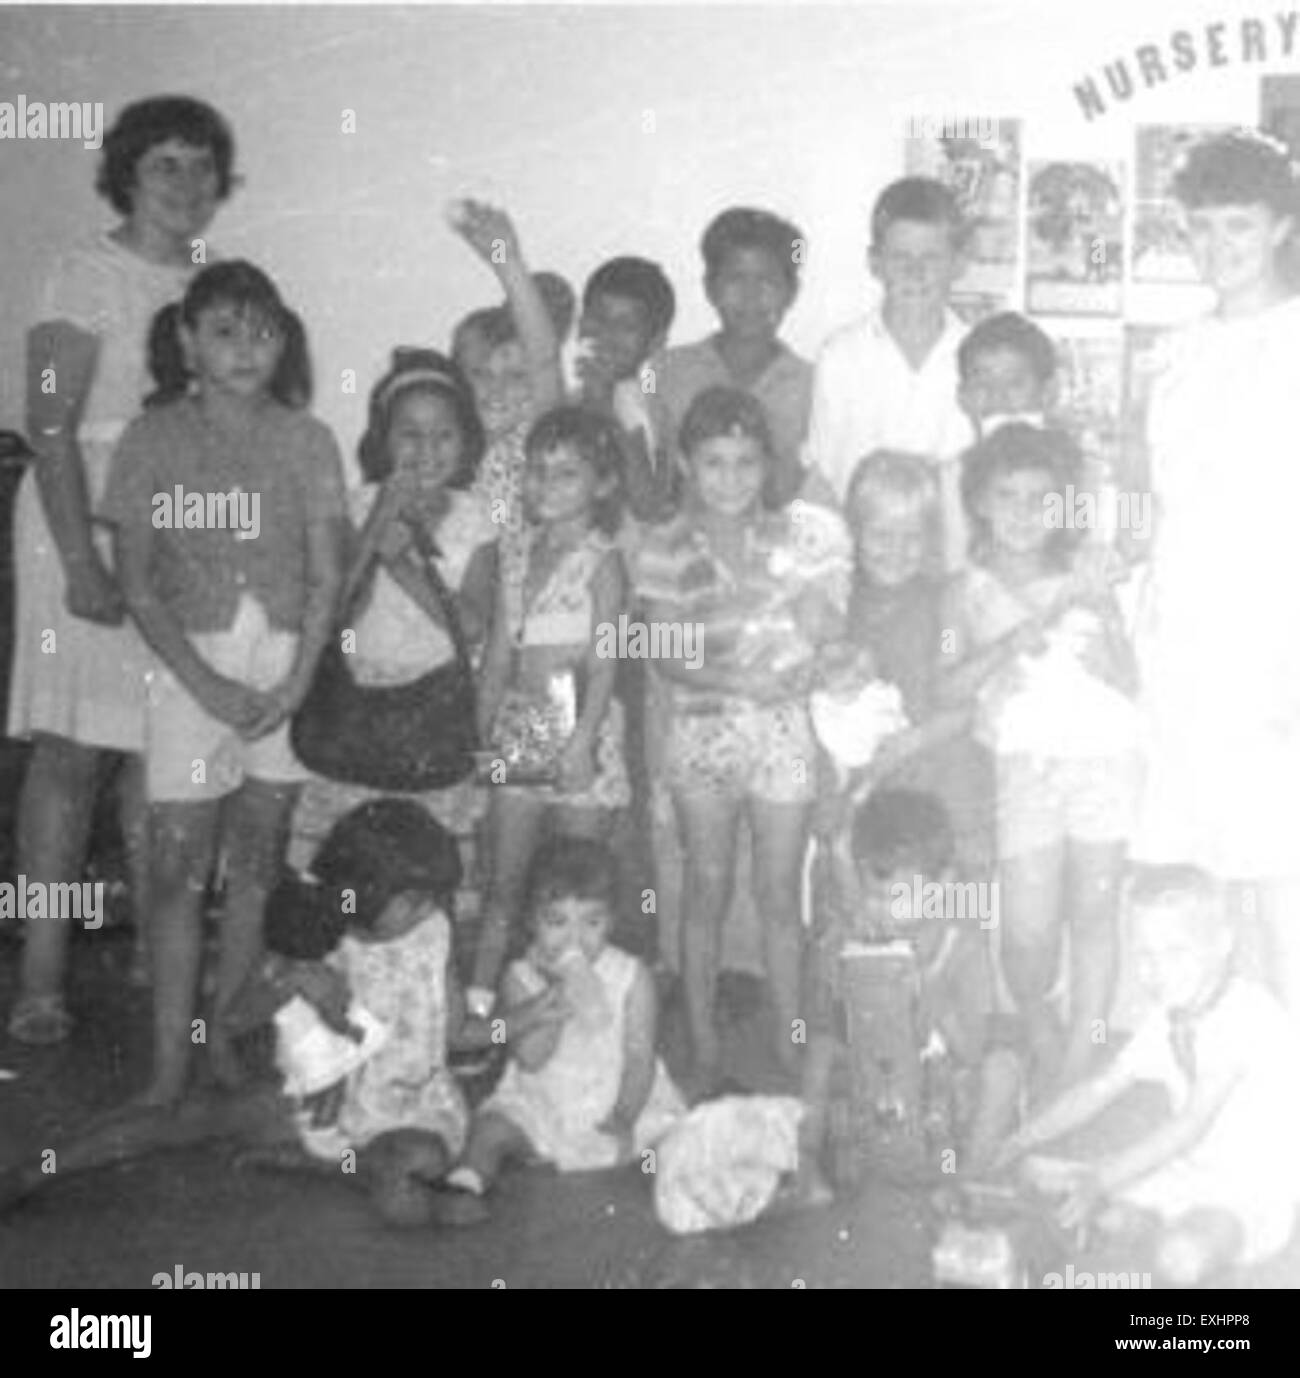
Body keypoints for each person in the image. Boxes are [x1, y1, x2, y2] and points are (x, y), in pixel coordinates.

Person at [7, 95, 237, 1044]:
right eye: (164, 167)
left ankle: (156, 954)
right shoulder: (82, 271)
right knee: (70, 756)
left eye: (200, 167)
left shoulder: (219, 278)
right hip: (82, 518)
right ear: (127, 176)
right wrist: (78, 562)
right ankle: (42, 980)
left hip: (177, 529)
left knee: (163, 753)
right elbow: (49, 425)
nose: (185, 186)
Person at [100, 260, 346, 1105]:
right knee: (176, 867)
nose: (246, 351)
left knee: (255, 865)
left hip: (283, 665)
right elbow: (136, 584)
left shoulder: (307, 440)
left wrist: (298, 679)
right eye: (225, 332)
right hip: (189, 668)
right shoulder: (152, 438)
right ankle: (169, 1063)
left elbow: (326, 578)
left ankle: (226, 1034)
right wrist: (204, 683)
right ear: (187, 341)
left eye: (263, 332)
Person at [633, 386, 849, 1095]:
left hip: (783, 728)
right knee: (706, 887)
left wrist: (819, 628)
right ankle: (699, 1033)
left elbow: (822, 633)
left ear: (768, 465)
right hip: (702, 732)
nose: (731, 479)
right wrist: (735, 681)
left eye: (747, 463)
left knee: (780, 893)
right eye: (714, 463)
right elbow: (664, 651)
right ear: (687, 465)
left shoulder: (797, 538)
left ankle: (790, 1035)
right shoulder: (664, 545)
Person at [1131, 130, 1300, 1013]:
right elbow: (1158, 512)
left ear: (1279, 227)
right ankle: (1232, 1096)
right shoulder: (1177, 354)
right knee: (1201, 883)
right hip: (1184, 653)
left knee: (1282, 882)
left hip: (1274, 651)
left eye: (1238, 226)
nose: (1217, 248)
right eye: (1200, 229)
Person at [941, 423, 1139, 1095]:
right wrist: (1014, 641)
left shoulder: (1082, 572)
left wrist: (1104, 633)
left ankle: (1080, 1062)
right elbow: (944, 687)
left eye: (1041, 499)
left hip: (1104, 755)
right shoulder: (963, 589)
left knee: (1093, 912)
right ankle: (1038, 1018)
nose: (1025, 514)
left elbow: (1127, 678)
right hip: (1024, 767)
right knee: (1025, 930)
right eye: (1008, 496)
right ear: (979, 502)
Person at [995, 865, 1300, 1284]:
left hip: (1249, 1197)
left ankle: (1146, 1232)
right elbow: (1099, 1089)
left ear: (1223, 943)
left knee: (1182, 1253)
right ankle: (1125, 1222)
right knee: (1056, 1184)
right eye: (1144, 953)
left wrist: (1100, 1179)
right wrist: (1023, 1135)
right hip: (1187, 1174)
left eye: (1176, 951)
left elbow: (1190, 1125)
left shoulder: (1246, 1015)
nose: (1158, 971)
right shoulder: (1166, 1018)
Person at [286, 347, 496, 871]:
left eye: (444, 434)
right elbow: (335, 613)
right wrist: (378, 521)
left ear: (466, 440)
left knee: (423, 863)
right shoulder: (357, 505)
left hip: (434, 704)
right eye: (410, 434)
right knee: (342, 862)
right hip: (353, 702)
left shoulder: (478, 519)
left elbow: (470, 624)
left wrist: (400, 563)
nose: (427, 449)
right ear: (383, 440)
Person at [470, 405, 631, 1012]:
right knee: (504, 881)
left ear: (602, 483)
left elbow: (607, 659)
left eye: (567, 474)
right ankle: (484, 1005)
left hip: (580, 726)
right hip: (521, 726)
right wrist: (484, 739)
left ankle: (578, 1009)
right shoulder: (515, 553)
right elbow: (495, 660)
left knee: (577, 884)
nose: (546, 485)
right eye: (537, 472)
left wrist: (583, 741)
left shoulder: (602, 559)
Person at [798, 790, 1023, 1203]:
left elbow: (972, 1050)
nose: (882, 910)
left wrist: (925, 993)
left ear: (942, 886)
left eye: (897, 898)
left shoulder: (963, 947)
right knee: (818, 1048)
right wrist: (847, 969)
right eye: (873, 895)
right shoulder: (856, 941)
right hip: (878, 1094)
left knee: (1003, 1069)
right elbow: (833, 1027)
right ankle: (806, 1170)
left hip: (942, 1103)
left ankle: (966, 1182)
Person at [443, 839, 683, 1216]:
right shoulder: (519, 976)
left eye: (592, 922)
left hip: (616, 1093)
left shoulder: (632, 976)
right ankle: (470, 1182)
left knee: (667, 1142)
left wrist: (623, 1115)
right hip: (543, 1097)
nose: (575, 938)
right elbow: (532, 1059)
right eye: (557, 922)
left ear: (612, 921)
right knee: (491, 1128)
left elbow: (640, 1058)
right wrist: (555, 996)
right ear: (531, 922)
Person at [837, 450, 993, 874]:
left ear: (931, 538)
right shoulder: (841, 604)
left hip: (942, 775)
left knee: (954, 903)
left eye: (912, 536)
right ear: (853, 531)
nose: (897, 550)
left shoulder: (943, 606)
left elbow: (971, 704)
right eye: (880, 535)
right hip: (874, 786)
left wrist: (912, 742)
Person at [803, 177, 974, 565]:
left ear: (958, 264)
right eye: (900, 258)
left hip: (947, 563)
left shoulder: (978, 359)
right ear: (874, 263)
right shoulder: (840, 356)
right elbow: (821, 480)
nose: (915, 273)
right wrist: (817, 573)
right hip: (861, 564)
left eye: (931, 259)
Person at [647, 206, 816, 508]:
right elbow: (648, 463)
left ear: (791, 292)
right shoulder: (661, 372)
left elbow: (815, 491)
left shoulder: (813, 386)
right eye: (735, 279)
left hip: (779, 546)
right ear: (710, 288)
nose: (750, 296)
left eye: (766, 281)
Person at [572, 255, 677, 523]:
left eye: (627, 326)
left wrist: (604, 402)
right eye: (598, 317)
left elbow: (649, 507)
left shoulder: (652, 408)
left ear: (656, 342)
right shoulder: (569, 398)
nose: (607, 332)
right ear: (580, 322)